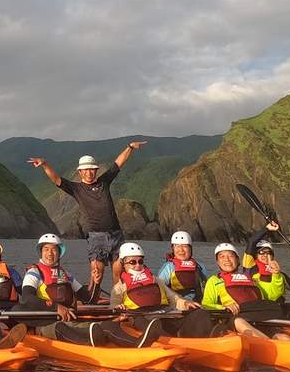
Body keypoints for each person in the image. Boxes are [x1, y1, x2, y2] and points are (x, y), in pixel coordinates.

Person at [28, 141, 147, 293]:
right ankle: (92, 298)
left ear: (95, 171)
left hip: (116, 234)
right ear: (80, 172)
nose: (89, 173)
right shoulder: (76, 188)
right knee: (97, 273)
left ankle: (120, 301)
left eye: (92, 170)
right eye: (86, 170)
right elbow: (56, 179)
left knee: (119, 272)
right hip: (96, 236)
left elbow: (118, 163)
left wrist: (130, 147)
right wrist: (45, 164)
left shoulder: (104, 182)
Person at [18, 234, 150, 347]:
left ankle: (139, 343)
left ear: (59, 253)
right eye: (46, 249)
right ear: (41, 252)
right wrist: (56, 307)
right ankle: (92, 340)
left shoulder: (66, 275)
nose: (50, 253)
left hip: (70, 320)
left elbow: (88, 299)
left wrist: (96, 283)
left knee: (108, 325)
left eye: (54, 250)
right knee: (62, 328)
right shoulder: (34, 272)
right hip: (45, 324)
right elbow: (27, 298)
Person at [109, 242, 219, 341]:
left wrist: (185, 303)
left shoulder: (156, 280)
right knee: (146, 322)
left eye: (140, 261)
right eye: (133, 262)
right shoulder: (119, 288)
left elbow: (174, 299)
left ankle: (196, 338)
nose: (138, 265)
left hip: (166, 315)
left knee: (200, 313)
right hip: (142, 318)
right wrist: (119, 309)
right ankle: (167, 341)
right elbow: (114, 308)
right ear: (123, 264)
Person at [200, 243, 283, 339]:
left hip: (257, 317)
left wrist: (276, 275)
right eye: (222, 256)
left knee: (282, 336)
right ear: (218, 262)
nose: (227, 259)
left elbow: (273, 296)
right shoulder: (215, 280)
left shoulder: (251, 279)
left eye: (231, 256)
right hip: (230, 319)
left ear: (237, 260)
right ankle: (270, 347)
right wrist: (223, 307)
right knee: (239, 322)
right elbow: (206, 304)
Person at [244, 221, 290, 317]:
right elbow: (251, 242)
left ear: (272, 256)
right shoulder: (250, 267)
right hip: (259, 309)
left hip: (278, 308)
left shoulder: (281, 275)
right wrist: (267, 229)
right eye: (261, 252)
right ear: (255, 255)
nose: (265, 255)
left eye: (268, 252)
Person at [156, 231, 210, 304]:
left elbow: (209, 286)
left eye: (184, 246)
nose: (181, 250)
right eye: (177, 246)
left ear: (190, 248)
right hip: (177, 303)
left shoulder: (200, 266)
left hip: (197, 303)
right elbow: (160, 287)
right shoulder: (169, 267)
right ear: (173, 249)